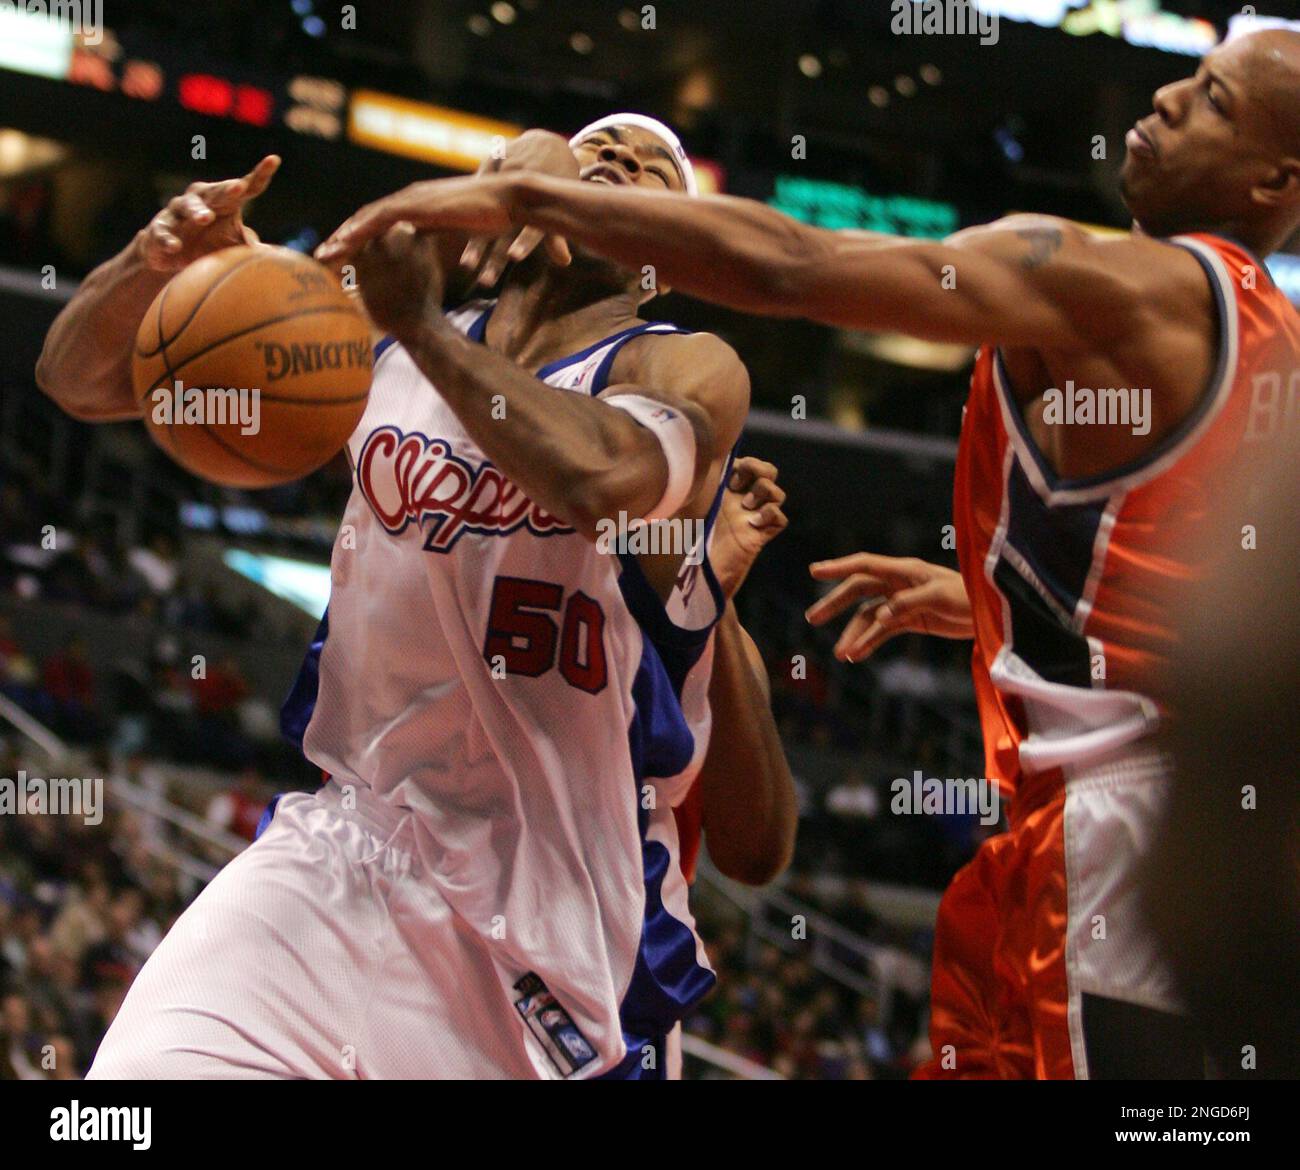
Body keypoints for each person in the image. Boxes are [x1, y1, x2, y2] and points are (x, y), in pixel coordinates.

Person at [323, 29, 1300, 1078]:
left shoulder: (1116, 280)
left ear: (1273, 178)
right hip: (1165, 827)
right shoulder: (1278, 340)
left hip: (1113, 837)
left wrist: (530, 197)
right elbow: (1237, 604)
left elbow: (793, 264)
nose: (1162, 96)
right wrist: (996, 606)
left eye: (1208, 99)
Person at [38, 116, 794, 1079]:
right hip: (341, 849)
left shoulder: (677, 367)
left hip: (538, 932)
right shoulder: (380, 336)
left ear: (664, 262)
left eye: (648, 173)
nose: (610, 162)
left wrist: (425, 328)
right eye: (593, 149)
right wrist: (158, 267)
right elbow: (76, 378)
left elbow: (598, 478)